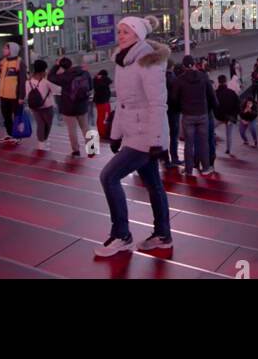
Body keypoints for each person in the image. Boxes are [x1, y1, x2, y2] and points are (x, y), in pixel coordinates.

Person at [96, 16, 172, 257]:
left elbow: (157, 103)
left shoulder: (147, 61)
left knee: (108, 176)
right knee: (153, 185)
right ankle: (162, 235)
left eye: (126, 32)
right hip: (132, 132)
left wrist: (157, 140)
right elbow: (123, 103)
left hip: (145, 136)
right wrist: (116, 134)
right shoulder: (123, 61)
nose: (120, 36)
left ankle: (122, 235)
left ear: (138, 35)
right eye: (119, 31)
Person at [172, 55, 219, 176]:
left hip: (188, 115)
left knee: (189, 144)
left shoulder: (179, 80)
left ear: (183, 66)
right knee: (204, 142)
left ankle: (188, 170)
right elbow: (211, 95)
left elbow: (174, 99)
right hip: (203, 114)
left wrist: (180, 109)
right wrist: (215, 108)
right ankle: (206, 168)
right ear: (193, 65)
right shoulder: (203, 77)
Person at [49, 56, 94, 157]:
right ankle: (92, 149)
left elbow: (50, 77)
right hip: (82, 105)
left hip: (68, 107)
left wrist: (56, 66)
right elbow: (91, 86)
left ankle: (76, 151)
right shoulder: (84, 73)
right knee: (86, 127)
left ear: (62, 67)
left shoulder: (64, 76)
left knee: (72, 130)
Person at [24, 59, 60, 151]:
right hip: (47, 107)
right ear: (43, 70)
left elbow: (27, 95)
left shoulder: (28, 82)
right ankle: (44, 141)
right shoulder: (46, 82)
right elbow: (58, 90)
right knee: (47, 125)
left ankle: (41, 144)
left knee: (40, 124)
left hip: (34, 107)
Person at [214, 74, 241, 155]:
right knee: (228, 134)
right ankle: (228, 149)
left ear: (218, 82)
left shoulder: (215, 93)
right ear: (226, 81)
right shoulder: (232, 93)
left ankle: (212, 144)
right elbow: (237, 106)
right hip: (230, 117)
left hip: (218, 117)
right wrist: (234, 116)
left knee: (210, 128)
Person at [93, 69, 112, 141]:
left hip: (100, 101)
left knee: (100, 117)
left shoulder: (96, 80)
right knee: (103, 117)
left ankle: (101, 132)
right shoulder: (103, 80)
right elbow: (109, 81)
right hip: (103, 101)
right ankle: (103, 133)